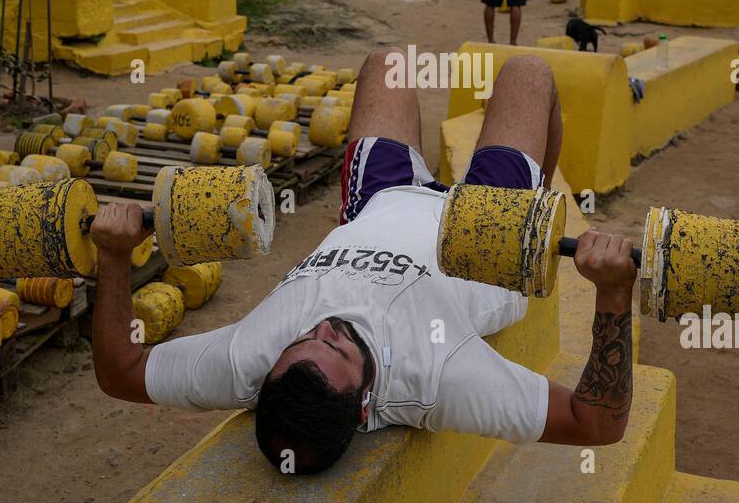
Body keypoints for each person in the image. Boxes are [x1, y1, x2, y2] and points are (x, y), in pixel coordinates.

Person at [89, 47, 638, 474]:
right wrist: (612, 294)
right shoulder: (438, 379)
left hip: (384, 203)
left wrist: (113, 256)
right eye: (339, 348)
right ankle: (537, 202)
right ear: (365, 405)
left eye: (302, 338)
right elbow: (596, 423)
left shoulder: (247, 361)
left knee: (387, 64)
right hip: (488, 244)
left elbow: (120, 373)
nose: (325, 326)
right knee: (529, 74)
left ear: (263, 381)